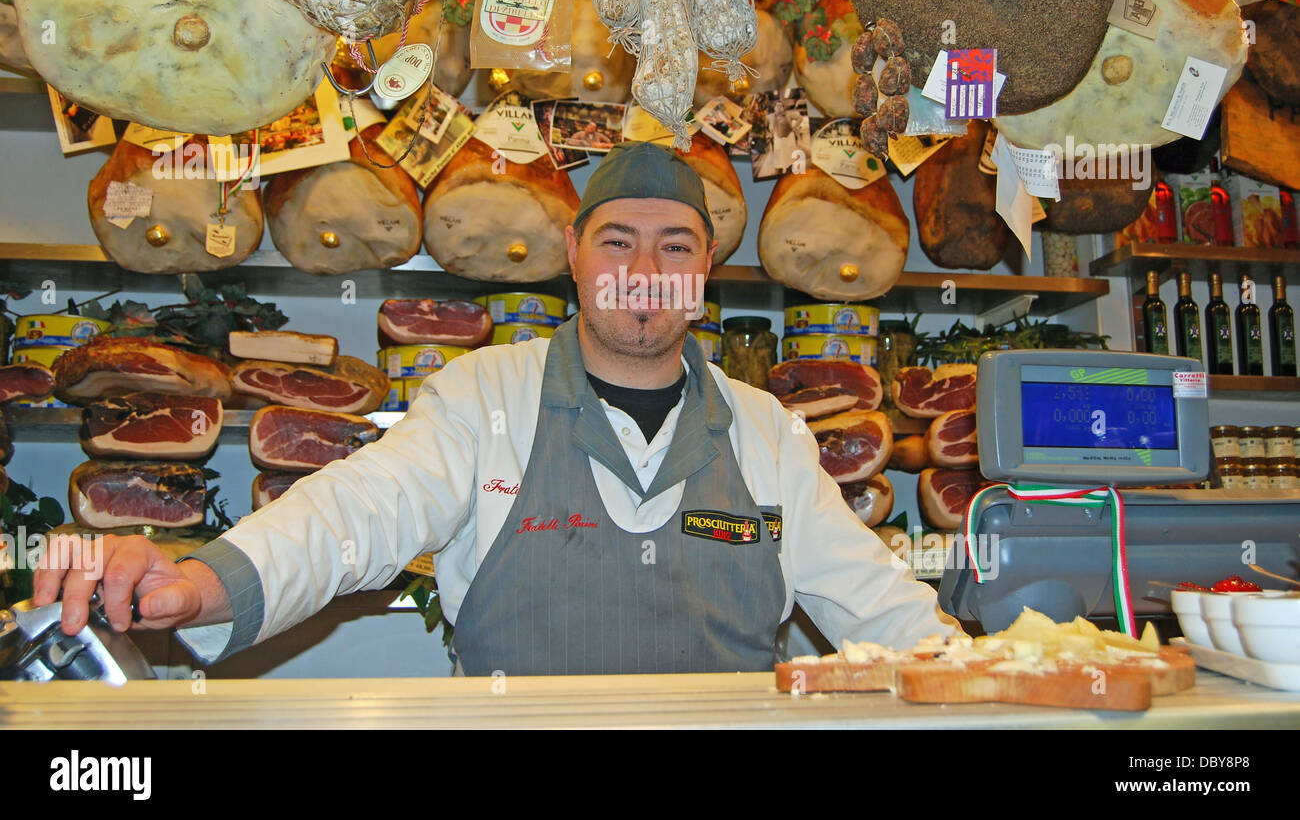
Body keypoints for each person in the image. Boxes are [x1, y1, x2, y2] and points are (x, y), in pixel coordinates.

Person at [35, 141, 957, 676]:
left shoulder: (765, 430)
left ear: (704, 268)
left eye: (675, 245)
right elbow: (356, 513)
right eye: (618, 241)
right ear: (573, 252)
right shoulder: (486, 397)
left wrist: (997, 680)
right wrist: (202, 583)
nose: (645, 271)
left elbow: (878, 608)